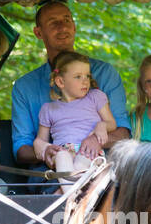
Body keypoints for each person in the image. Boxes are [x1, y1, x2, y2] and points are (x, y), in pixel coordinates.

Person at [12, 0, 130, 167]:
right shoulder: (25, 86)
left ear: (74, 27)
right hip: (48, 171)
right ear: (38, 33)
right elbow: (21, 149)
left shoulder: (105, 73)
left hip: (98, 163)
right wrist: (45, 152)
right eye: (53, 22)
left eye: (67, 20)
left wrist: (97, 141)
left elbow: (123, 133)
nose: (62, 27)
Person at [33, 51, 117, 188]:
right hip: (64, 153)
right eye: (78, 77)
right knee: (61, 156)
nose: (85, 81)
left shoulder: (95, 97)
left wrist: (102, 125)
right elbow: (40, 139)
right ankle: (74, 195)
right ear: (60, 81)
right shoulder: (48, 109)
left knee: (83, 160)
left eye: (87, 76)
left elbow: (112, 123)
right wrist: (43, 147)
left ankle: (70, 196)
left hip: (90, 152)